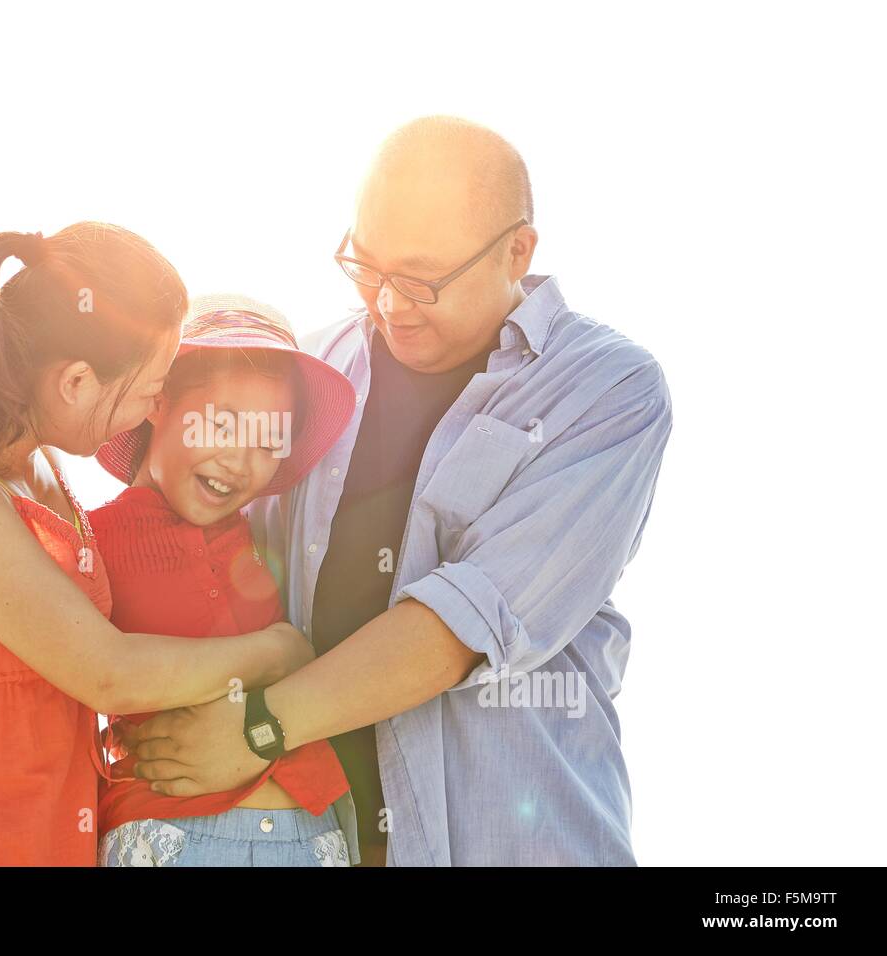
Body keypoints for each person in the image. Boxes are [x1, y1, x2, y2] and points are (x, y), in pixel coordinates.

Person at [121, 116, 674, 866]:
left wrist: (259, 728)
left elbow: (463, 622)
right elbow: (195, 536)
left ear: (519, 251)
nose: (387, 304)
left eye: (422, 280)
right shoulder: (310, 372)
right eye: (366, 267)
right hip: (323, 843)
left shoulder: (606, 390)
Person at [0, 225, 314, 866]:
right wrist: (276, 651)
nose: (151, 411)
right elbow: (108, 674)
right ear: (76, 382)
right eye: (148, 389)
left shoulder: (42, 475)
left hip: (55, 839)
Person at [92, 295, 357, 866]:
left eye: (268, 443)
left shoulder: (265, 541)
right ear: (158, 402)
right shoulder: (90, 543)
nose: (241, 461)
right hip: (171, 839)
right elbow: (5, 685)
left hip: (313, 838)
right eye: (222, 423)